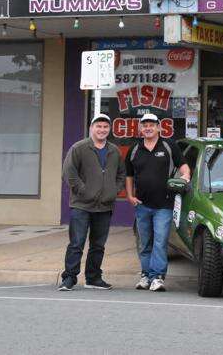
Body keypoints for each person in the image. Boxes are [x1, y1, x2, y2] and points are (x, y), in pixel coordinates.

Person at [58, 113, 126, 291]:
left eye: (105, 127)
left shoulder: (114, 151)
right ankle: (69, 278)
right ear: (91, 128)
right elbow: (69, 173)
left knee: (98, 245)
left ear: (109, 129)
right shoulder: (79, 148)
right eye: (98, 126)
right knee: (77, 243)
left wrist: (114, 190)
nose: (102, 130)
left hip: (104, 206)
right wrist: (84, 191)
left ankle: (93, 278)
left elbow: (121, 174)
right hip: (81, 205)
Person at [125, 113, 190, 292]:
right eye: (145, 125)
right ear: (141, 128)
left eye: (151, 125)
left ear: (159, 127)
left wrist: (185, 177)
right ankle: (146, 275)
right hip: (142, 204)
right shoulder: (134, 149)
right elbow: (129, 175)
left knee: (160, 242)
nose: (148, 128)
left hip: (164, 204)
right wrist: (129, 196)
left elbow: (184, 168)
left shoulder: (169, 146)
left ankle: (158, 277)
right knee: (145, 243)